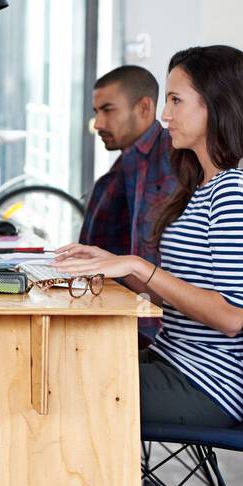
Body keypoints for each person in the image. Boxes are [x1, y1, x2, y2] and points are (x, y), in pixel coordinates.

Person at [54, 45, 243, 428]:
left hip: (206, 385)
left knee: (57, 387)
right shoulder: (203, 185)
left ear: (216, 105)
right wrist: (108, 264)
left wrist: (139, 265)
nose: (164, 115)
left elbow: (229, 316)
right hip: (173, 361)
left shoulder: (234, 192)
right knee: (55, 367)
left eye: (175, 100)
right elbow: (181, 293)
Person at [81, 64, 176, 341]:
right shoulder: (129, 162)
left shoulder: (170, 164)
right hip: (118, 312)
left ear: (144, 108)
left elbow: (148, 260)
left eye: (108, 110)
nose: (98, 123)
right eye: (96, 112)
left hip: (146, 330)